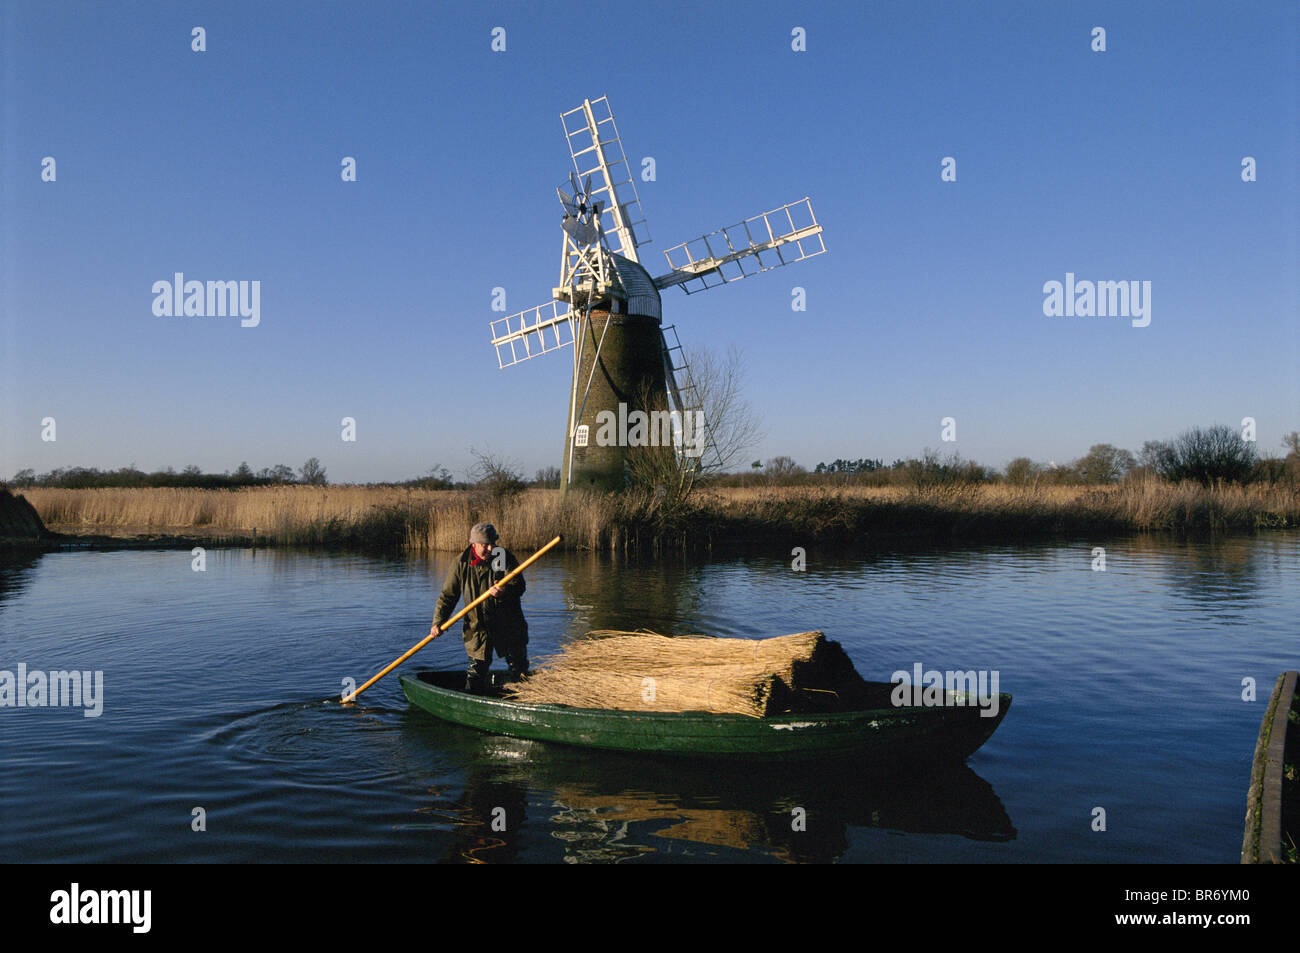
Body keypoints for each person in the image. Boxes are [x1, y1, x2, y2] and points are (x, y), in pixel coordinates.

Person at [430, 522, 529, 694]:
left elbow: (519, 586)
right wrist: (438, 621)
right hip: (478, 626)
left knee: (518, 668)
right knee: (476, 671)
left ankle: (525, 698)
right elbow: (448, 596)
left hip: (508, 623)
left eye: (493, 543)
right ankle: (471, 701)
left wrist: (504, 592)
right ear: (473, 544)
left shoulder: (501, 557)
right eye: (485, 545)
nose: (491, 548)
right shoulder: (461, 563)